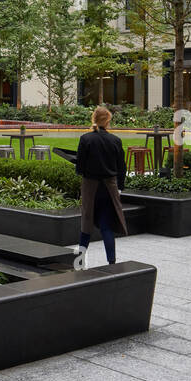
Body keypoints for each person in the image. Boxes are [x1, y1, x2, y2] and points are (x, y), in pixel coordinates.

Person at [74, 105, 128, 268]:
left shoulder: (86, 139)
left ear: (94, 119)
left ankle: (79, 262)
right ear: (108, 121)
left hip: (91, 187)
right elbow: (122, 167)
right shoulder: (115, 141)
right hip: (109, 188)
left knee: (86, 225)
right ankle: (111, 262)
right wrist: (120, 187)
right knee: (106, 226)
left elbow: (80, 167)